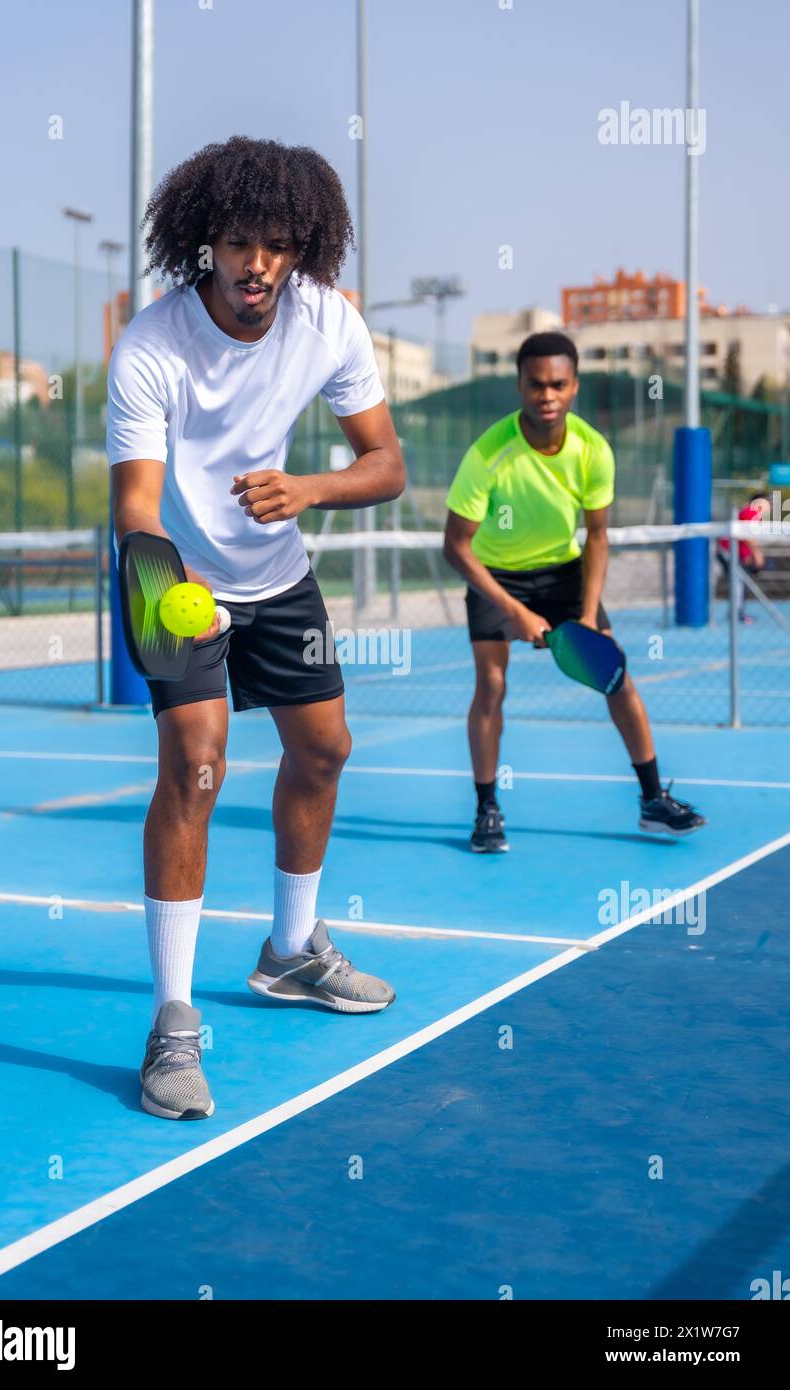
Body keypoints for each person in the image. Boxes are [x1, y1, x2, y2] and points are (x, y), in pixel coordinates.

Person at [108, 136, 405, 1120]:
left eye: (277, 244)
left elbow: (386, 465)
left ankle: (288, 951)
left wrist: (308, 487)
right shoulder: (151, 345)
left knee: (323, 750)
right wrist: (168, 570)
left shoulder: (329, 322)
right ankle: (172, 1023)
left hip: (276, 575)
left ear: (303, 246)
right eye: (238, 241)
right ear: (203, 243)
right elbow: (136, 508)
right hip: (173, 578)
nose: (257, 264)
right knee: (197, 763)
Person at [442, 331, 706, 854]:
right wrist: (514, 611)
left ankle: (653, 801)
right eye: (537, 384)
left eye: (558, 384)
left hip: (564, 571)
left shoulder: (592, 450)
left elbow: (599, 536)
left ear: (574, 386)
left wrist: (586, 616)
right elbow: (455, 547)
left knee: (617, 676)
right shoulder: (488, 453)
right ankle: (486, 808)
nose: (547, 395)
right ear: (519, 385)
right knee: (491, 685)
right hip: (497, 573)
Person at [716, 493, 770, 623]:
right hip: (727, 552)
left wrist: (748, 555)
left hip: (731, 553)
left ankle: (737, 613)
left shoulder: (752, 514)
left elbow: (744, 539)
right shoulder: (750, 512)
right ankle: (736, 614)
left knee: (738, 584)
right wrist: (757, 555)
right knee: (737, 584)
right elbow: (747, 538)